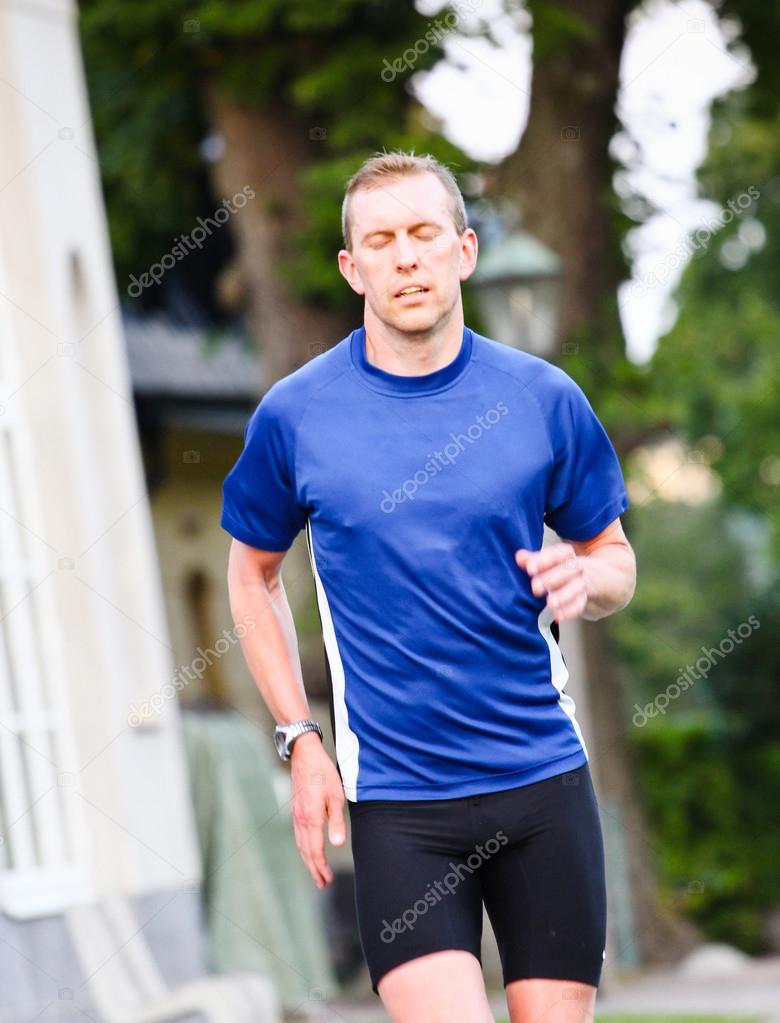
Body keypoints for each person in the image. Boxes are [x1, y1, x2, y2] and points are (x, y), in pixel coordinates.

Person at [221, 151, 636, 1023]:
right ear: (352, 267)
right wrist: (299, 737)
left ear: (465, 250)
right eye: (381, 240)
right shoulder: (296, 415)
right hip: (400, 805)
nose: (405, 257)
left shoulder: (544, 399)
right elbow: (250, 577)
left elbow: (615, 559)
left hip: (542, 785)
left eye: (422, 234)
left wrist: (586, 575)